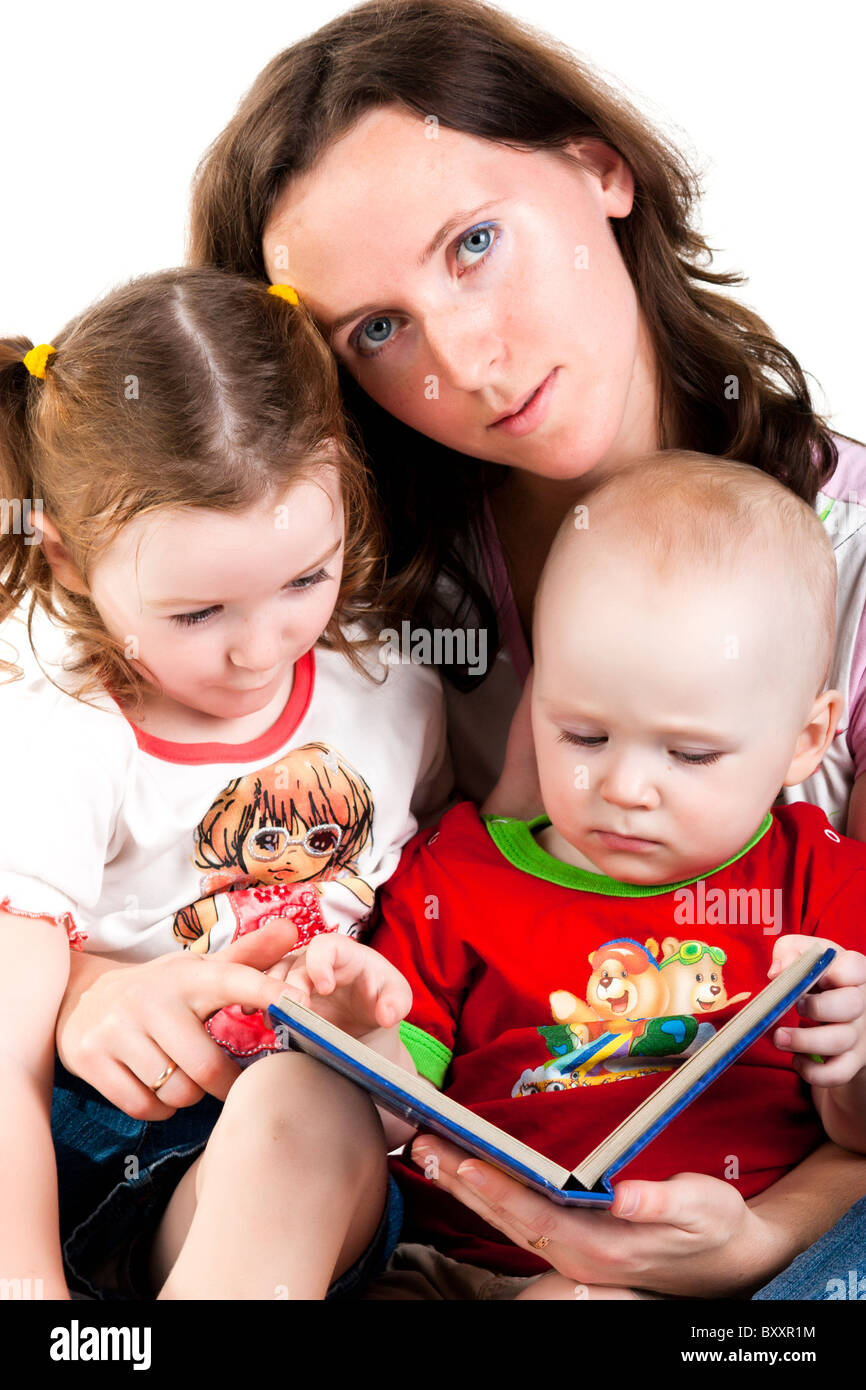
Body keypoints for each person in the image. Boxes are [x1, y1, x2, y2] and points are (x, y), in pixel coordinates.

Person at [185, 0, 866, 1296]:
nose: (464, 356)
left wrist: (763, 1240)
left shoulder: (851, 561)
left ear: (598, 164)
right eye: (373, 329)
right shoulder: (359, 602)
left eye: (474, 244)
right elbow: (174, 855)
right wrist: (100, 988)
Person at [0, 266, 447, 1299]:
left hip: (271, 1185)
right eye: (197, 613)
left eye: (305, 578)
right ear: (68, 562)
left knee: (310, 1099)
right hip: (81, 1153)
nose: (261, 648)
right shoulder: (59, 728)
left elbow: (441, 921)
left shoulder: (397, 694)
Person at [358, 452, 866, 1298]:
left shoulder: (820, 880)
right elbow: (389, 1116)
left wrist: (853, 1055)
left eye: (691, 753)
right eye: (583, 736)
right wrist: (357, 1036)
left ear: (805, 741)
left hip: (713, 1269)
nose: (624, 789)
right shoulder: (458, 874)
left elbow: (855, 1138)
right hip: (458, 1259)